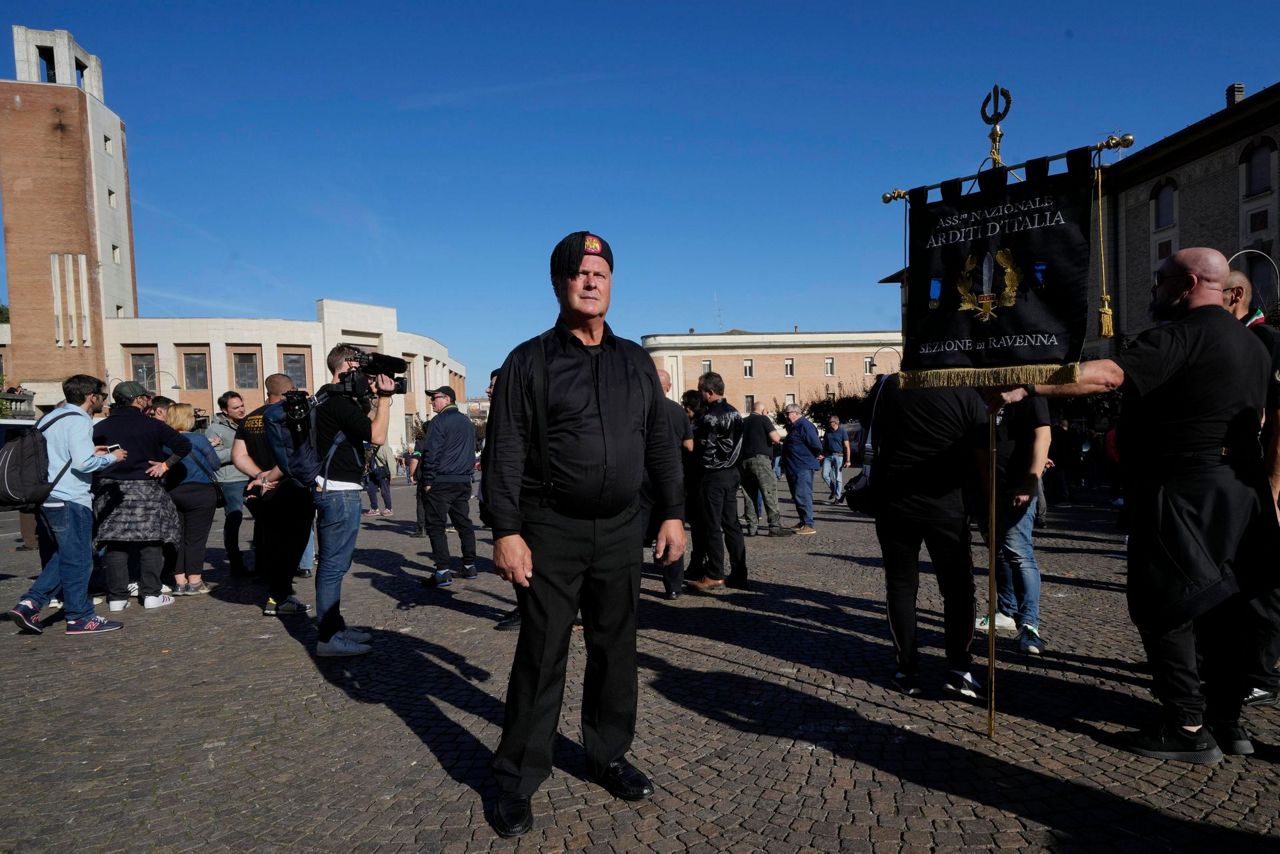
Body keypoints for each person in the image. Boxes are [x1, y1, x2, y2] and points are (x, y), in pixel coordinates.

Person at [993, 247, 1275, 763]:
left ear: (1189, 283)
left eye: (1160, 280)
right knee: (1227, 610)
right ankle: (1227, 722)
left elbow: (1107, 376)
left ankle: (1186, 725)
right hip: (1240, 492)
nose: (1153, 290)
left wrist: (1026, 383)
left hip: (1184, 490)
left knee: (1165, 604)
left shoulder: (1177, 337)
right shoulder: (1253, 343)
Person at [483, 231, 684, 838]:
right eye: (579, 273)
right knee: (542, 652)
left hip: (622, 529)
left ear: (612, 282)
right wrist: (506, 530)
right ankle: (517, 777)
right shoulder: (529, 361)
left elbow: (659, 444)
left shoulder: (634, 364)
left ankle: (607, 754)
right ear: (558, 283)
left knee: (615, 649)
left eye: (600, 272)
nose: (591, 281)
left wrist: (672, 512)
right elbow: (506, 449)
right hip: (550, 529)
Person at [871, 374, 987, 698]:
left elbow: (875, 436)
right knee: (958, 590)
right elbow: (984, 445)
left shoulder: (891, 385)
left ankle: (906, 667)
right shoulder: (964, 387)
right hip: (946, 505)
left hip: (896, 502)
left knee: (902, 587)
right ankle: (959, 667)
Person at [6, 375, 126, 635]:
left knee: (66, 555)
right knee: (80, 559)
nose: (104, 401)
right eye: (102, 396)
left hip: (47, 495)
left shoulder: (51, 417)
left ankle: (31, 604)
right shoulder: (80, 421)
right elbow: (83, 464)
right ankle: (78, 616)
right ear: (91, 396)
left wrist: (92, 453)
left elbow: (61, 455)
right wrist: (111, 459)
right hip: (70, 497)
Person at [310, 344, 395, 657]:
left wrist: (372, 398)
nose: (369, 379)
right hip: (339, 491)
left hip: (331, 488)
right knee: (333, 566)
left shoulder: (325, 396)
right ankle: (329, 637)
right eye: (364, 370)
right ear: (347, 365)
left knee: (335, 564)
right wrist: (385, 398)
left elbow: (362, 428)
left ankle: (335, 626)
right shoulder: (338, 401)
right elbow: (377, 436)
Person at [1222, 269, 1280, 708]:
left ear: (1236, 294)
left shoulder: (1267, 342)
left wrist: (1274, 489)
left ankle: (1260, 671)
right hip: (1237, 481)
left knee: (1263, 583)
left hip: (1264, 482)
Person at [92, 382, 191, 611]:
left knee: (115, 543)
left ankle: (117, 598)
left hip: (111, 489)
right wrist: (165, 465)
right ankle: (151, 594)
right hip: (146, 487)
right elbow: (183, 444)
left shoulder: (100, 427)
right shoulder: (151, 425)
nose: (148, 401)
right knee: (151, 542)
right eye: (145, 397)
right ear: (138, 400)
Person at [232, 374, 314, 619]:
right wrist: (271, 477)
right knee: (291, 545)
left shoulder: (249, 418)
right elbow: (295, 455)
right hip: (291, 488)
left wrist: (259, 476)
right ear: (291, 390)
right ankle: (280, 596)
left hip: (260, 492)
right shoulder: (291, 415)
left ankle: (277, 592)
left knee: (271, 540)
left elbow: (238, 455)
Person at [973, 397, 1051, 655]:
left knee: (1020, 554)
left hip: (1017, 486)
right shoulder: (980, 393)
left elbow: (1043, 436)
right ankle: (1006, 612)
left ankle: (1030, 625)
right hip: (987, 489)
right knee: (997, 551)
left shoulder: (1029, 395)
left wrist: (1031, 480)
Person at [686, 371, 748, 592]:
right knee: (732, 524)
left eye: (701, 390)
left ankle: (714, 573)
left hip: (713, 475)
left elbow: (703, 448)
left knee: (712, 525)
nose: (700, 394)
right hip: (732, 473)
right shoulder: (736, 413)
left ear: (709, 392)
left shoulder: (711, 417)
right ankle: (739, 571)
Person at [419, 384, 478, 587]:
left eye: (434, 398)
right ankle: (470, 565)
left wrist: (427, 480)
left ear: (447, 399)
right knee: (463, 523)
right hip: (462, 480)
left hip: (442, 480)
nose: (431, 401)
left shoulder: (439, 421)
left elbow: (431, 452)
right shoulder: (466, 422)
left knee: (436, 525)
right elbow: (471, 451)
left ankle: (442, 570)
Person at [642, 369, 694, 599]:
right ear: (669, 387)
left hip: (643, 478)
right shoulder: (677, 411)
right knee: (673, 527)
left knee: (636, 531)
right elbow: (690, 445)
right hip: (673, 478)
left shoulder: (640, 408)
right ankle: (673, 586)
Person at [160, 403, 221, 595]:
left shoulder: (163, 441)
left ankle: (179, 581)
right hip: (200, 492)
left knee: (178, 537)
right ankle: (194, 581)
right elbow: (215, 464)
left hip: (173, 491)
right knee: (196, 538)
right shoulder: (198, 439)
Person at [205, 391, 251, 576]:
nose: (241, 410)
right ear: (224, 410)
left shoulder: (247, 423)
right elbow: (213, 458)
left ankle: (263, 559)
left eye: (242, 405)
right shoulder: (214, 430)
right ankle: (236, 564)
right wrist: (237, 450)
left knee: (263, 519)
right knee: (234, 520)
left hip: (250, 477)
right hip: (230, 480)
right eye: (236, 407)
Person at [738, 402, 791, 538]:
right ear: (762, 411)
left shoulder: (742, 422)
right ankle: (774, 526)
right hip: (760, 460)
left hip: (744, 461)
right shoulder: (763, 419)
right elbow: (776, 438)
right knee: (769, 493)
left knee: (749, 495)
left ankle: (752, 527)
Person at [780, 404, 821, 534]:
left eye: (788, 413)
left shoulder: (804, 425)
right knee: (797, 496)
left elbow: (816, 445)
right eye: (785, 414)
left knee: (803, 495)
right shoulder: (794, 426)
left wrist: (814, 455)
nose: (786, 416)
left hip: (802, 466)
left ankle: (809, 524)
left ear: (796, 413)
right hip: (793, 467)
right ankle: (803, 521)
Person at [820, 415, 852, 504]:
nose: (829, 424)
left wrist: (848, 460)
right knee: (824, 475)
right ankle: (833, 489)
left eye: (831, 422)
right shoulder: (828, 432)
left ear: (836, 422)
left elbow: (847, 446)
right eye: (829, 422)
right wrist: (822, 454)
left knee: (838, 477)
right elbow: (825, 444)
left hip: (839, 456)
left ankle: (837, 497)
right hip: (828, 456)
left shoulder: (842, 432)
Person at [362, 442, 395, 517]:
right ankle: (374, 509)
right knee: (370, 490)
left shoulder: (385, 448)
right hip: (373, 472)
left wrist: (392, 473)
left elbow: (391, 461)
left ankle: (388, 508)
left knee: (384, 491)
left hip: (382, 472)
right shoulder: (371, 449)